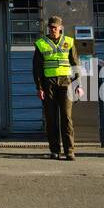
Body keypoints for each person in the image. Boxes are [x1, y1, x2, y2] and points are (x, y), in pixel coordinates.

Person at [33, 15, 80, 161]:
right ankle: (54, 150)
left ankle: (69, 151)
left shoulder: (69, 42)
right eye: (51, 27)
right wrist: (39, 87)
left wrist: (78, 84)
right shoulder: (41, 44)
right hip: (49, 85)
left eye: (55, 27)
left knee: (66, 118)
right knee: (51, 118)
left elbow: (75, 64)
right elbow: (37, 68)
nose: (53, 30)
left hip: (66, 83)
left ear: (61, 28)